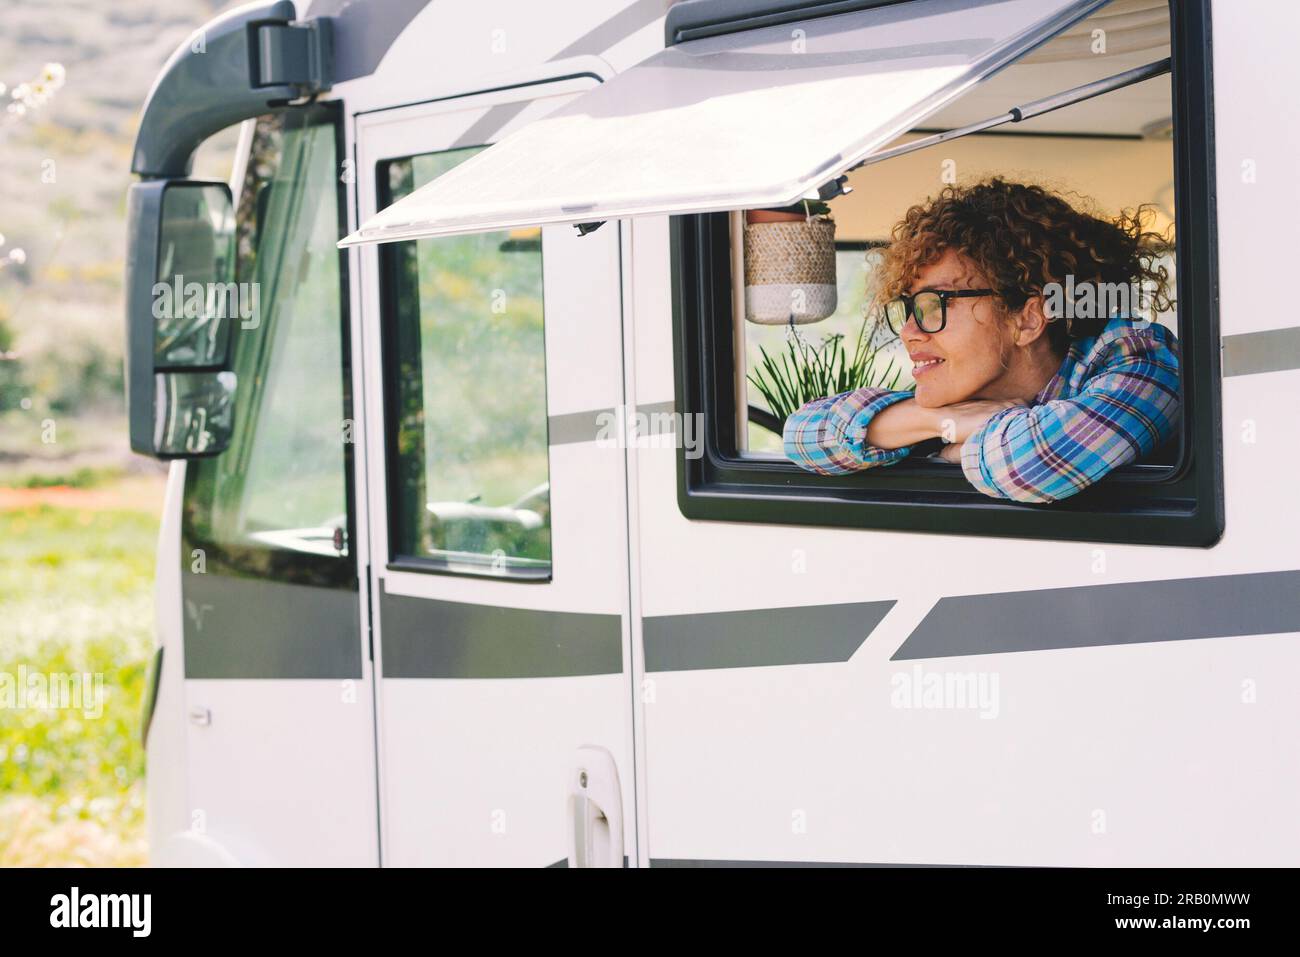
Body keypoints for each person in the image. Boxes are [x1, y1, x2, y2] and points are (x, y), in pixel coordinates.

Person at [783, 178, 1181, 504]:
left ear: (1028, 319)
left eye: (934, 304)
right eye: (908, 307)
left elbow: (1030, 467)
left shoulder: (1142, 358)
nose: (909, 330)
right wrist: (940, 422)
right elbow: (802, 434)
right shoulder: (966, 390)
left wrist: (947, 444)